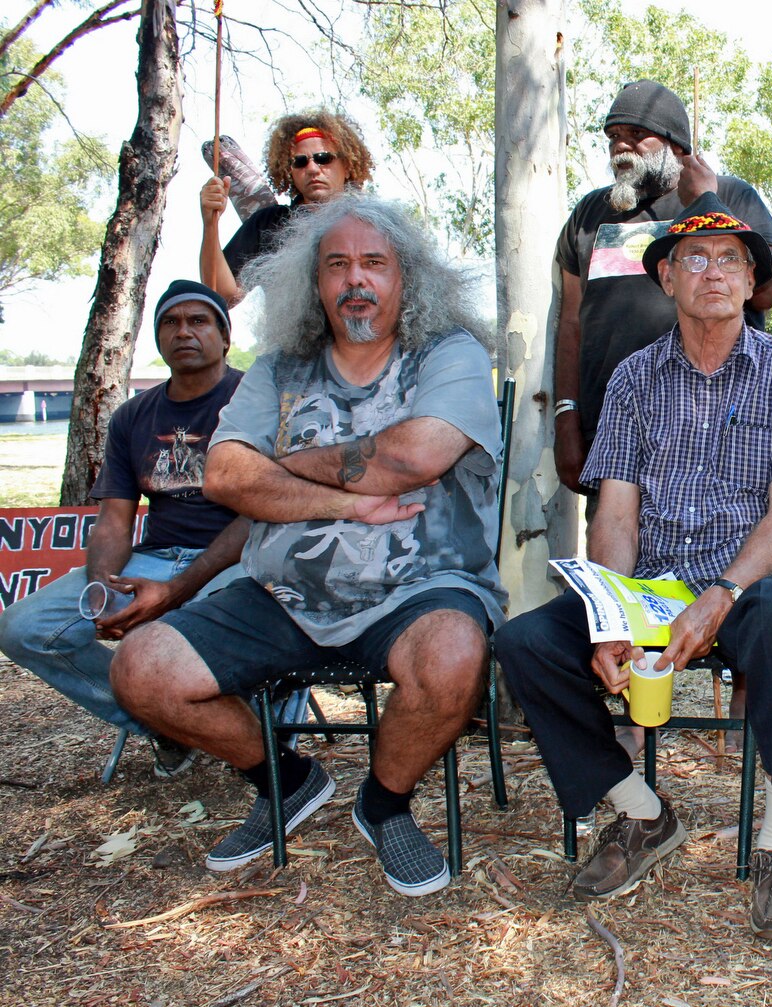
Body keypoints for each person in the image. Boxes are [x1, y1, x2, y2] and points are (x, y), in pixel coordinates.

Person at [110, 195, 505, 898]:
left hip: (420, 588)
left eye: (375, 264)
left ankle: (383, 804)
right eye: (337, 265)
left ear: (406, 278)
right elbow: (226, 473)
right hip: (280, 593)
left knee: (452, 654)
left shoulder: (451, 353)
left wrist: (283, 459)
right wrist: (347, 497)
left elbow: (415, 455)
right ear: (313, 283)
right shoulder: (277, 368)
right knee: (143, 669)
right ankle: (286, 779)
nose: (357, 280)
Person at [497, 195, 772, 940]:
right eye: (694, 258)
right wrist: (612, 613)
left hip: (749, 585)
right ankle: (643, 812)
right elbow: (615, 511)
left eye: (730, 260)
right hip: (654, 585)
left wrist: (719, 597)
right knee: (525, 643)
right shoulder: (631, 379)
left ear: (751, 283)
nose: (712, 272)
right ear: (667, 282)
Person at [0, 280, 248, 778]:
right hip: (154, 555)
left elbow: (263, 514)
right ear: (157, 339)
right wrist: (100, 590)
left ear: (224, 335)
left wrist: (177, 590)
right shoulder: (133, 416)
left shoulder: (255, 400)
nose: (184, 332)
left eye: (199, 321)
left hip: (237, 560)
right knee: (22, 629)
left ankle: (228, 727)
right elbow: (115, 517)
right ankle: (162, 722)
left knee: (183, 633)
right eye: (170, 323)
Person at [552, 79, 772, 501]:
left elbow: (770, 288)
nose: (621, 148)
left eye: (637, 135)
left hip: (716, 426)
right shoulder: (591, 213)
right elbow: (570, 322)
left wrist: (707, 202)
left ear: (678, 145)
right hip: (616, 434)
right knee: (618, 557)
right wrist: (566, 417)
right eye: (613, 137)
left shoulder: (728, 193)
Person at [199, 108, 374, 306]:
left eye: (324, 158)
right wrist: (210, 224)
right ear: (288, 170)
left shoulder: (374, 224)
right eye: (299, 162)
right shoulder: (268, 224)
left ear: (348, 164)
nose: (312, 169)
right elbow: (220, 296)